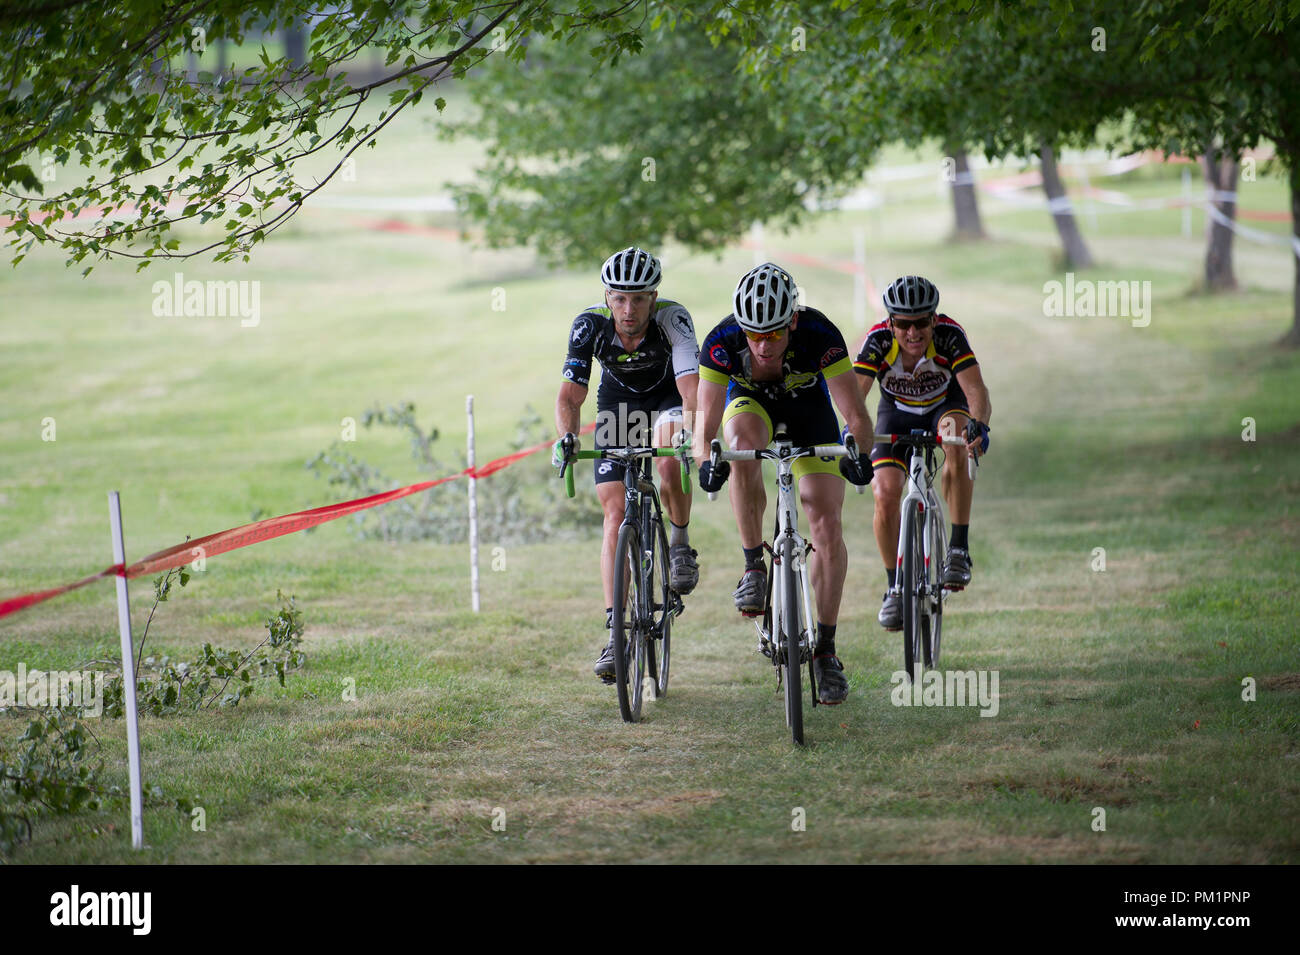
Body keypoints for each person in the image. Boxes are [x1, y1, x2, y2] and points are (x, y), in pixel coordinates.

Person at [693, 262, 874, 705]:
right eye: (753, 334)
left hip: (810, 413)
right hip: (751, 406)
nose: (762, 345)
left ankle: (826, 651)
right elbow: (705, 430)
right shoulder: (720, 344)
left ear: (792, 320)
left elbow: (856, 417)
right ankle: (754, 564)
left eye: (773, 333)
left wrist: (859, 453)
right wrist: (706, 462)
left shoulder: (820, 335)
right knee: (740, 445)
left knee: (827, 523)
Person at [553, 247, 700, 682]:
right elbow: (569, 396)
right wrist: (567, 436)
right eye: (619, 298)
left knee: (669, 458)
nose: (628, 308)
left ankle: (679, 543)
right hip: (619, 405)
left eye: (638, 299)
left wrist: (690, 429)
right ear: (606, 296)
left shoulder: (674, 319)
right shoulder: (589, 325)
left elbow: (691, 388)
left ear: (654, 298)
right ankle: (617, 633)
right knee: (614, 513)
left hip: (668, 396)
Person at [853, 275, 992, 631]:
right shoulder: (878, 341)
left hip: (944, 407)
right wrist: (852, 434)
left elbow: (976, 391)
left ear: (934, 319)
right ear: (890, 323)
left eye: (921, 323)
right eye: (903, 324)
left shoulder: (950, 336)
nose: (912, 333)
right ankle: (894, 589)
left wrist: (979, 424)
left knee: (955, 441)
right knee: (884, 492)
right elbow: (854, 396)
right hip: (895, 412)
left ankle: (958, 549)